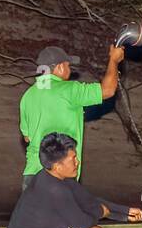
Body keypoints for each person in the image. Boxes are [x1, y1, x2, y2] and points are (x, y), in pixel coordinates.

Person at [5, 133, 142, 228]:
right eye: (73, 159)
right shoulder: (55, 190)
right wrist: (102, 213)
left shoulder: (50, 176)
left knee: (86, 220)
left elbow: (88, 201)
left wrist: (126, 212)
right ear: (58, 167)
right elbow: (83, 224)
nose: (77, 162)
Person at [19, 41, 125, 190]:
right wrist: (114, 61)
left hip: (32, 176)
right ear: (60, 66)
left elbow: (27, 137)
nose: (70, 69)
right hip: (59, 175)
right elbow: (107, 90)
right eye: (68, 65)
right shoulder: (69, 89)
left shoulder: (28, 96)